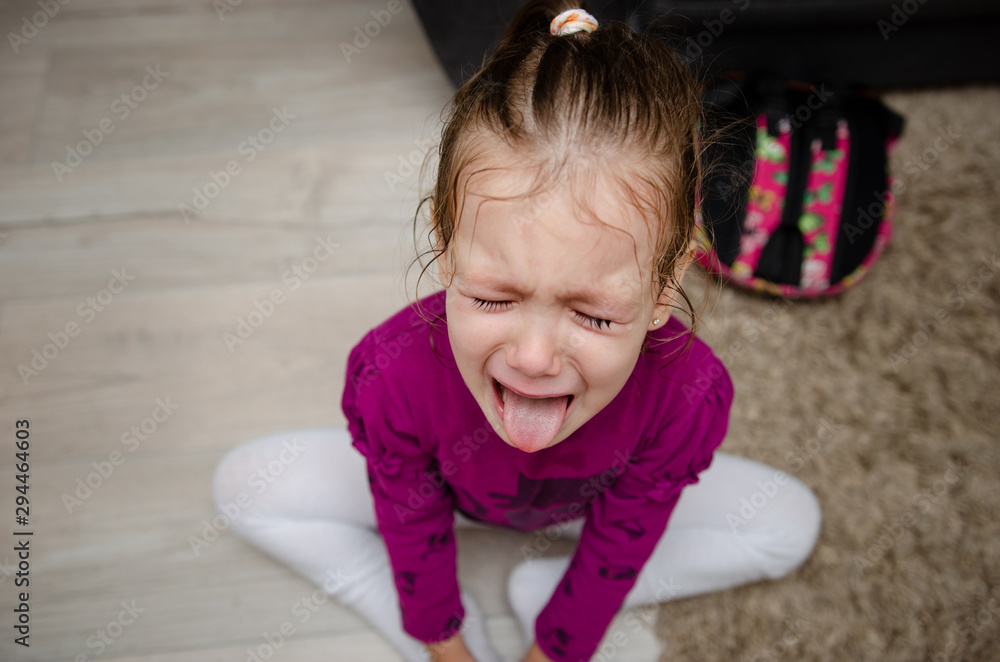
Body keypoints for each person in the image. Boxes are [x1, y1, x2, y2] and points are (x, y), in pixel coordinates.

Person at [212, 3, 822, 661]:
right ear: (445, 250)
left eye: (593, 314)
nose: (533, 359)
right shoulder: (393, 375)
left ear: (665, 286)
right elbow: (408, 516)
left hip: (586, 511)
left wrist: (556, 646)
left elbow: (628, 535)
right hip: (454, 498)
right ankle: (411, 617)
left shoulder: (685, 394)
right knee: (243, 488)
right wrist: (441, 640)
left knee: (788, 524)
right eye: (494, 298)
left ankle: (545, 588)